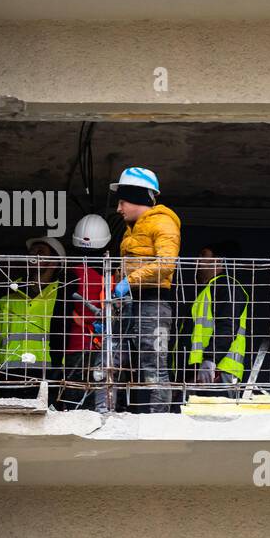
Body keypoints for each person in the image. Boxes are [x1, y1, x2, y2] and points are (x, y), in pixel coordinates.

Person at [110, 166, 181, 412]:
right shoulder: (132, 228)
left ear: (137, 198)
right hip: (129, 303)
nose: (119, 209)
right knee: (113, 361)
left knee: (154, 365)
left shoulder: (163, 222)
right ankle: (108, 413)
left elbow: (166, 264)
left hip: (153, 304)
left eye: (122, 202)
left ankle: (158, 422)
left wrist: (129, 281)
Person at [0, 236, 63, 393]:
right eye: (31, 253)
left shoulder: (61, 298)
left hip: (48, 379)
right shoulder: (6, 301)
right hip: (8, 379)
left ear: (54, 262)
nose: (32, 256)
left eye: (40, 252)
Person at [57, 214, 112, 411]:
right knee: (103, 408)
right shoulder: (114, 275)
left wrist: (56, 359)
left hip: (75, 348)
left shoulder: (71, 274)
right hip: (107, 352)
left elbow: (60, 316)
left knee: (74, 409)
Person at [185, 242, 251, 393]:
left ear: (219, 260)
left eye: (203, 255)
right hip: (204, 370)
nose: (197, 260)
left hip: (218, 371)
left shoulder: (226, 287)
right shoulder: (207, 290)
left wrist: (210, 359)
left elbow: (227, 326)